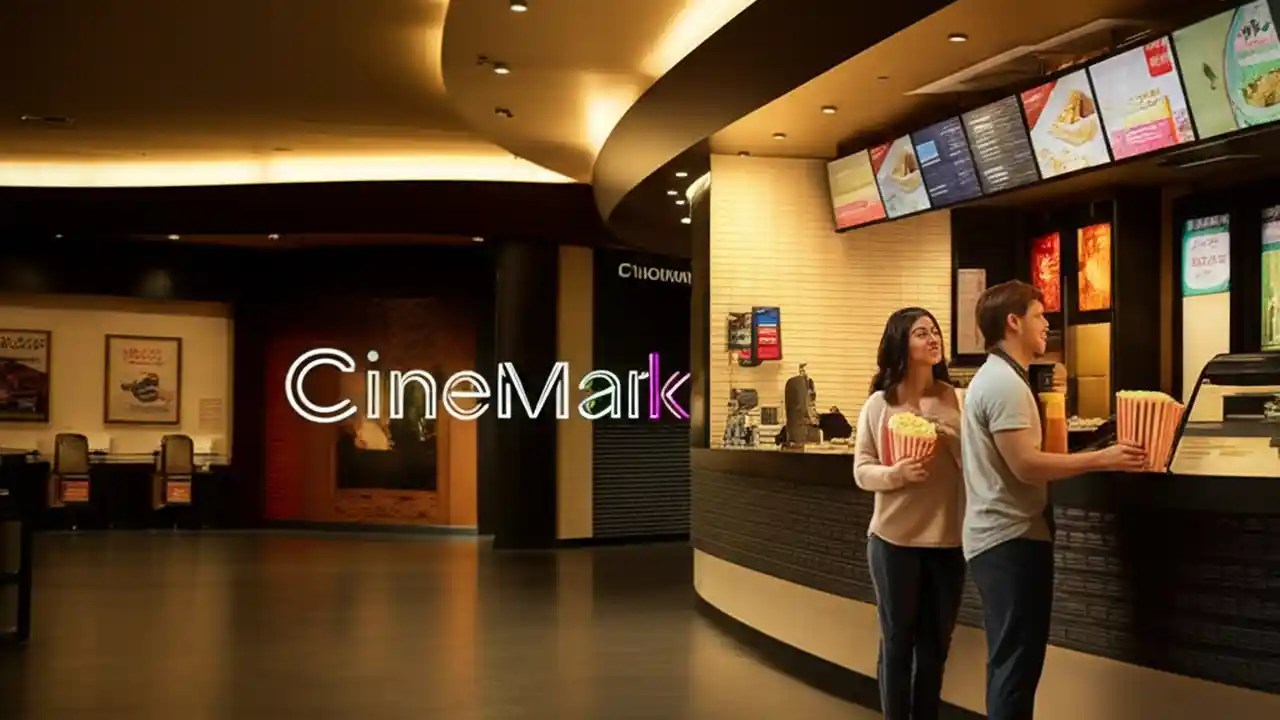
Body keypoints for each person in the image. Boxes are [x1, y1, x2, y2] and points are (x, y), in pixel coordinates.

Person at [962, 281, 1145, 720]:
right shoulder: (1004, 384)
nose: (1047, 324)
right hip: (1009, 541)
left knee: (1010, 665)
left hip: (1000, 539)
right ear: (1013, 321)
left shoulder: (1001, 377)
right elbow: (1026, 465)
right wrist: (1106, 457)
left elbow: (1036, 459)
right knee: (1016, 670)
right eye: (1040, 314)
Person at [854, 307, 966, 720]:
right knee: (897, 643)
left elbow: (976, 462)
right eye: (921, 333)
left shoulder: (959, 399)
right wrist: (896, 474)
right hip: (892, 540)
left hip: (948, 540)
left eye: (935, 331)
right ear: (902, 343)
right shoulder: (879, 405)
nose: (933, 338)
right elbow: (862, 470)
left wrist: (946, 433)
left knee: (935, 649)